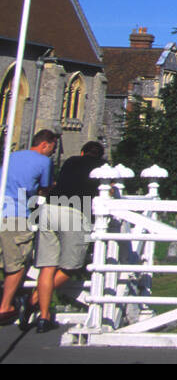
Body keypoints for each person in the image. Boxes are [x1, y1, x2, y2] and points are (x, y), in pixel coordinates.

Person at [26, 140, 106, 333]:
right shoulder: (102, 167)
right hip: (75, 212)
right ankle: (32, 300)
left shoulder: (70, 161)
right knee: (71, 266)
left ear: (82, 152)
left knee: (47, 266)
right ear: (100, 156)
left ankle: (44, 316)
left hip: (50, 209)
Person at [0, 129, 57, 326]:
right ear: (45, 144)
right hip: (17, 215)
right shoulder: (44, 162)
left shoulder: (12, 156)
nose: (52, 152)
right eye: (53, 148)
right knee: (16, 264)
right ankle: (5, 306)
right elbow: (45, 189)